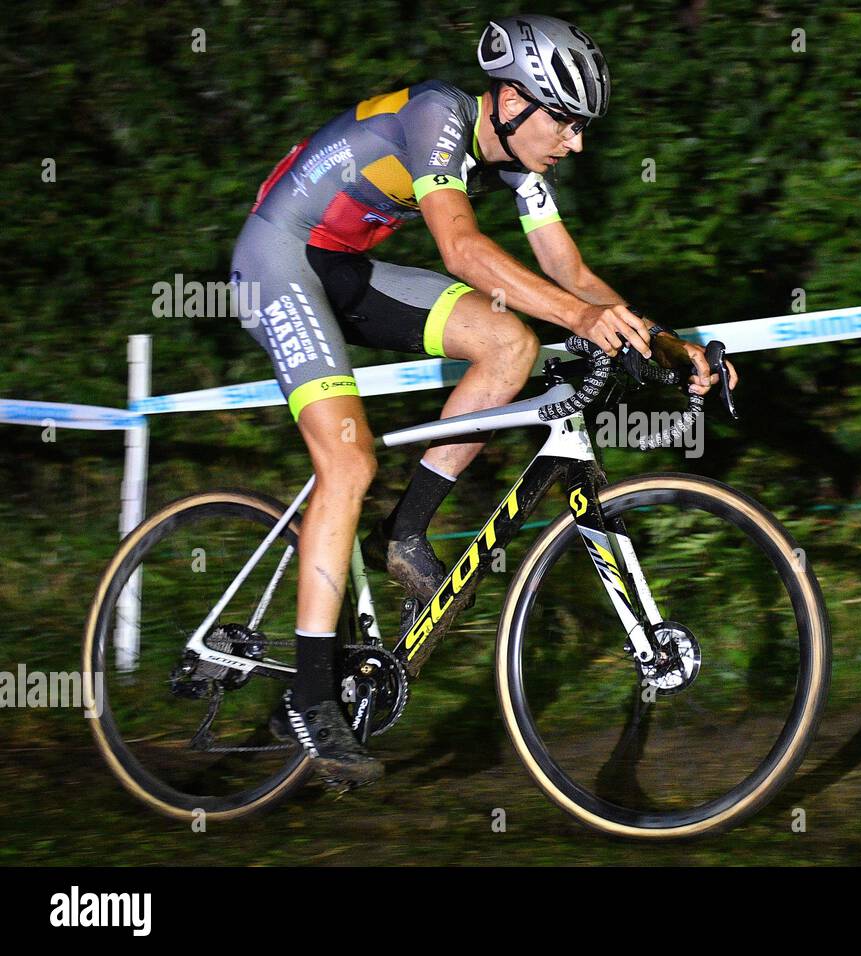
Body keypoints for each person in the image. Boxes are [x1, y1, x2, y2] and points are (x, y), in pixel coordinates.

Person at [231, 14, 737, 787]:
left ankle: (405, 537)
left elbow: (571, 273)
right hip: (278, 258)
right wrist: (583, 320)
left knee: (510, 345)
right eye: (564, 122)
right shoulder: (438, 113)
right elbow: (462, 250)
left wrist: (669, 345)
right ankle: (308, 695)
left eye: (580, 127)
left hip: (342, 267)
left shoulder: (520, 165)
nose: (574, 143)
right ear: (513, 101)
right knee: (349, 461)